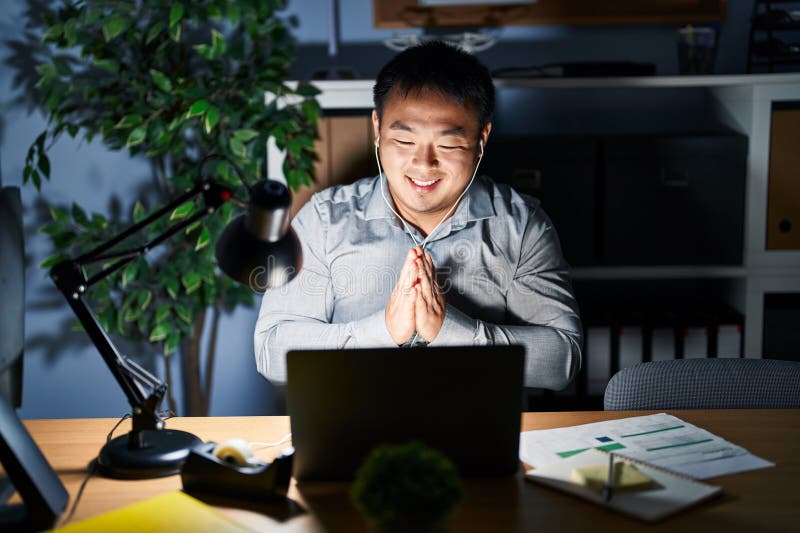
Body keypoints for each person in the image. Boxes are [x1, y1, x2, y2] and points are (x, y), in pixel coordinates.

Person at [254, 41, 582, 390]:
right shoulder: (323, 220)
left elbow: (563, 360)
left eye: (448, 144)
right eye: (405, 141)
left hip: (478, 420)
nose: (424, 164)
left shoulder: (522, 225)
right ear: (377, 128)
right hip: (349, 419)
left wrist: (454, 332)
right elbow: (271, 351)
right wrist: (381, 332)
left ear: (481, 138)